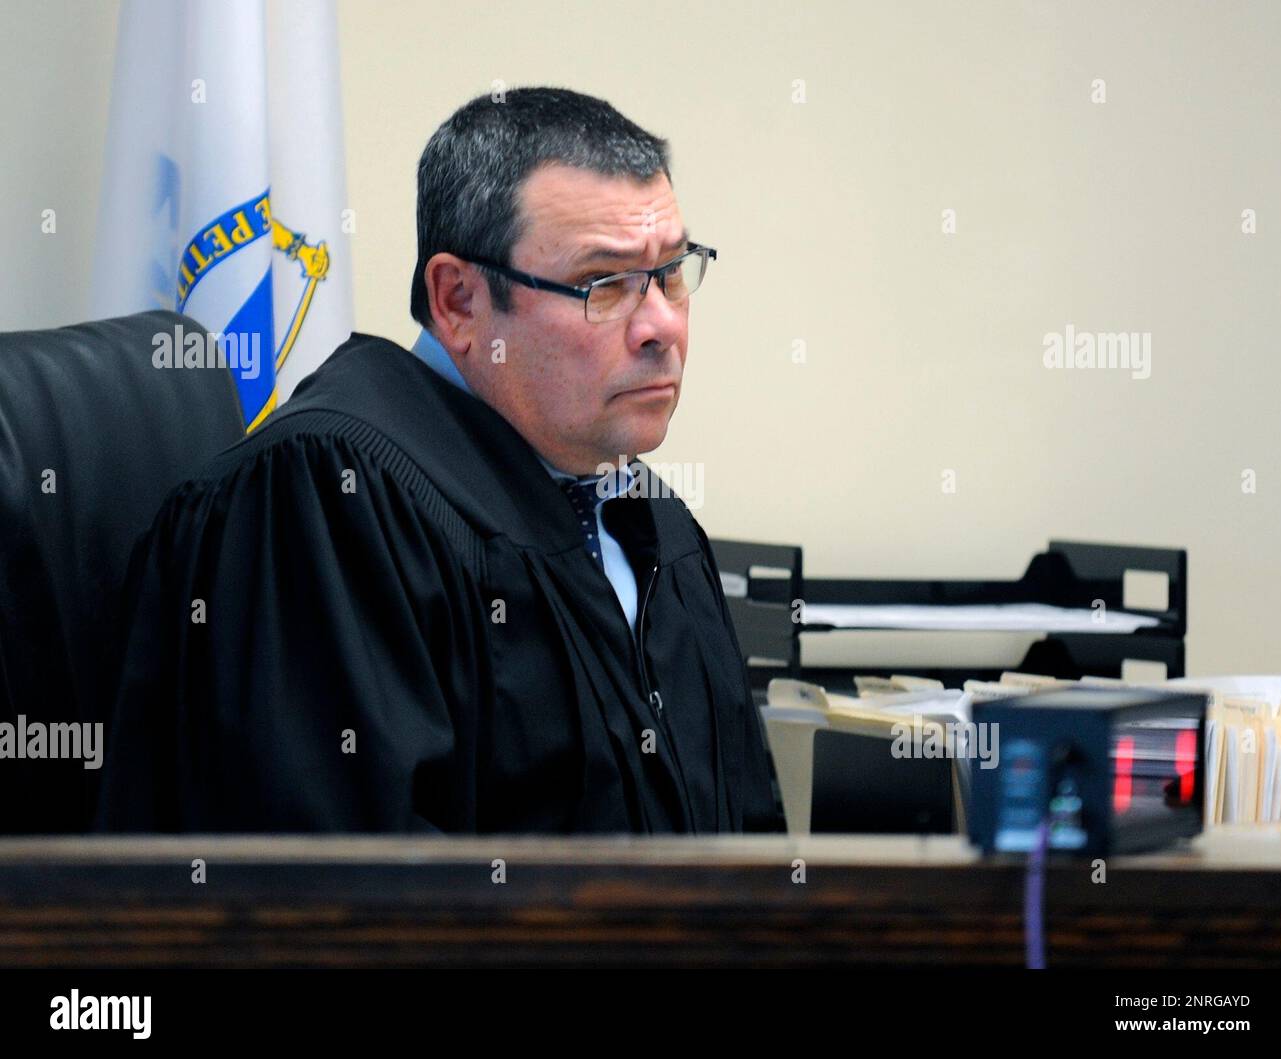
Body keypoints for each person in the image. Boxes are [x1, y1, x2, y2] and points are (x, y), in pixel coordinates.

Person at [95, 86, 781, 834]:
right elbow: (342, 897)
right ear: (458, 301)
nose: (660, 327)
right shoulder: (328, 498)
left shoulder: (650, 523)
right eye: (604, 283)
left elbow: (749, 842)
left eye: (672, 272)